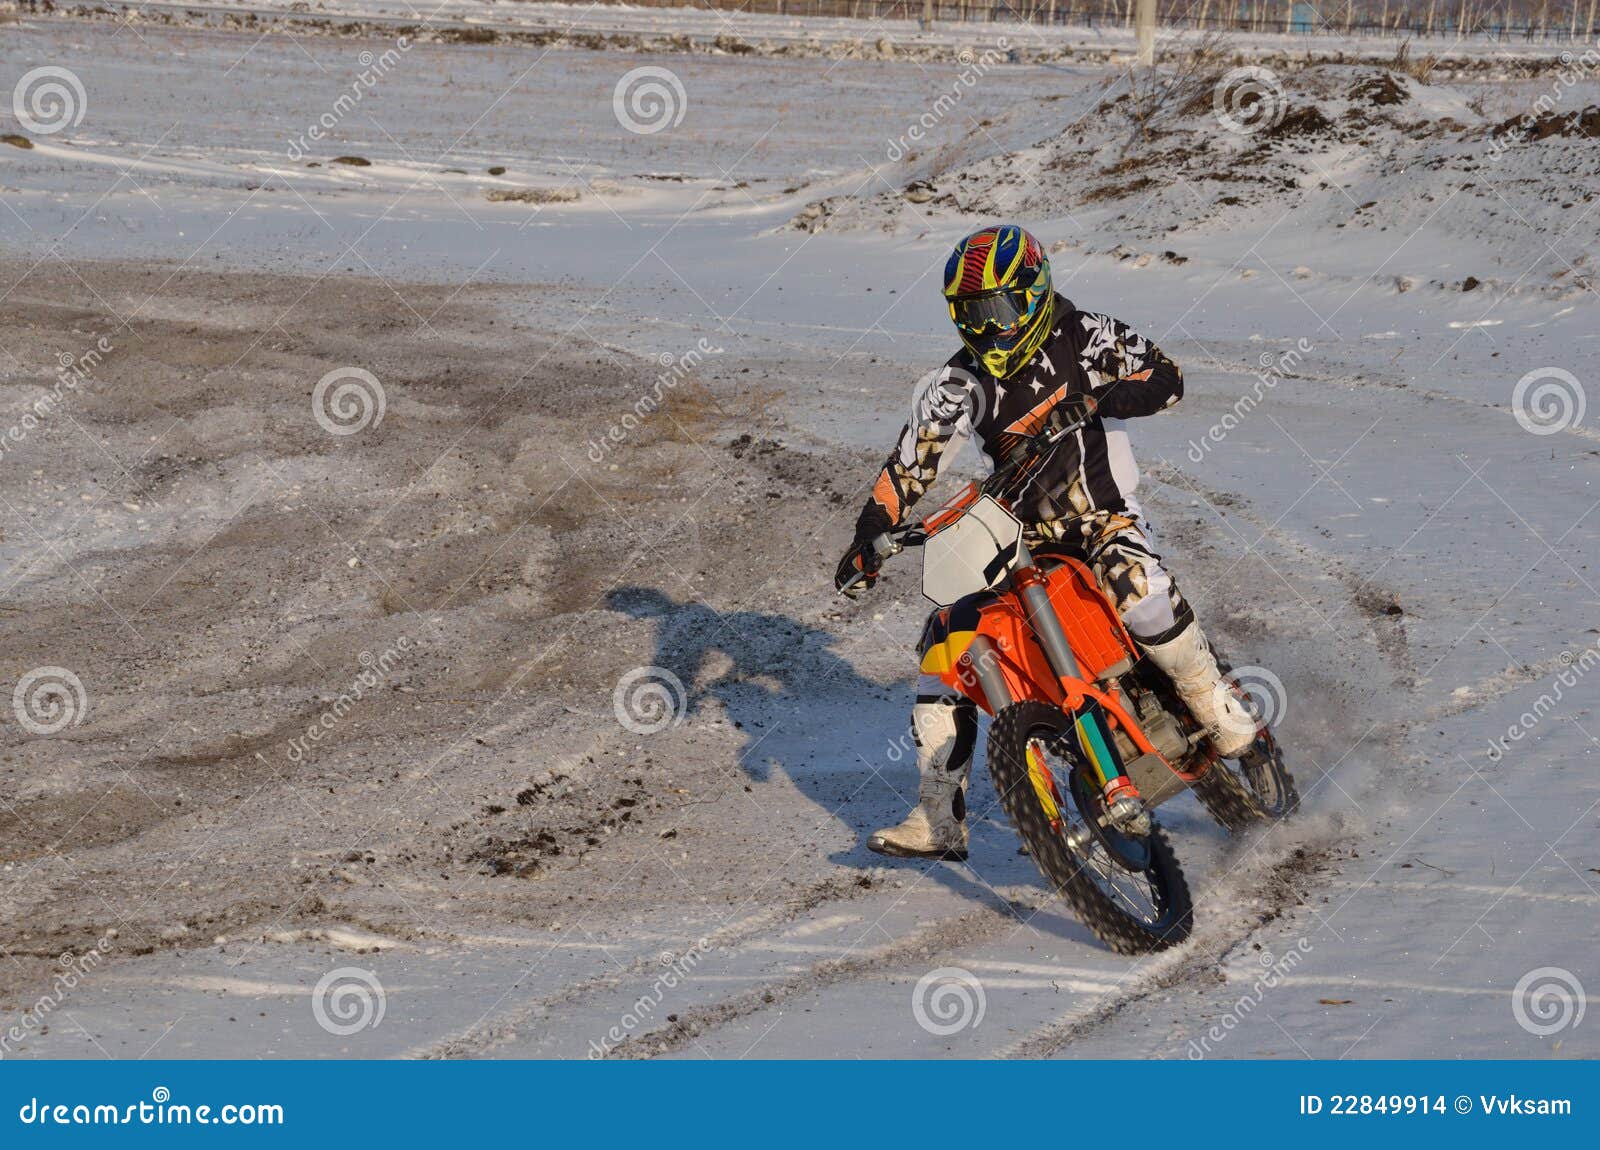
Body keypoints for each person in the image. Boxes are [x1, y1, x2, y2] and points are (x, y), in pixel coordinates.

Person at [834, 224, 1254, 861]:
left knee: (1137, 593)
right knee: (947, 645)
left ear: (1033, 293)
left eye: (999, 308)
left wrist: (1092, 398)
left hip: (1101, 515)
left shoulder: (1085, 335)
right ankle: (938, 816)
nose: (989, 326)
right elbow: (908, 466)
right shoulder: (958, 383)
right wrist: (869, 535)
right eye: (973, 314)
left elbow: (1166, 378)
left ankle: (1210, 701)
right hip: (1017, 536)